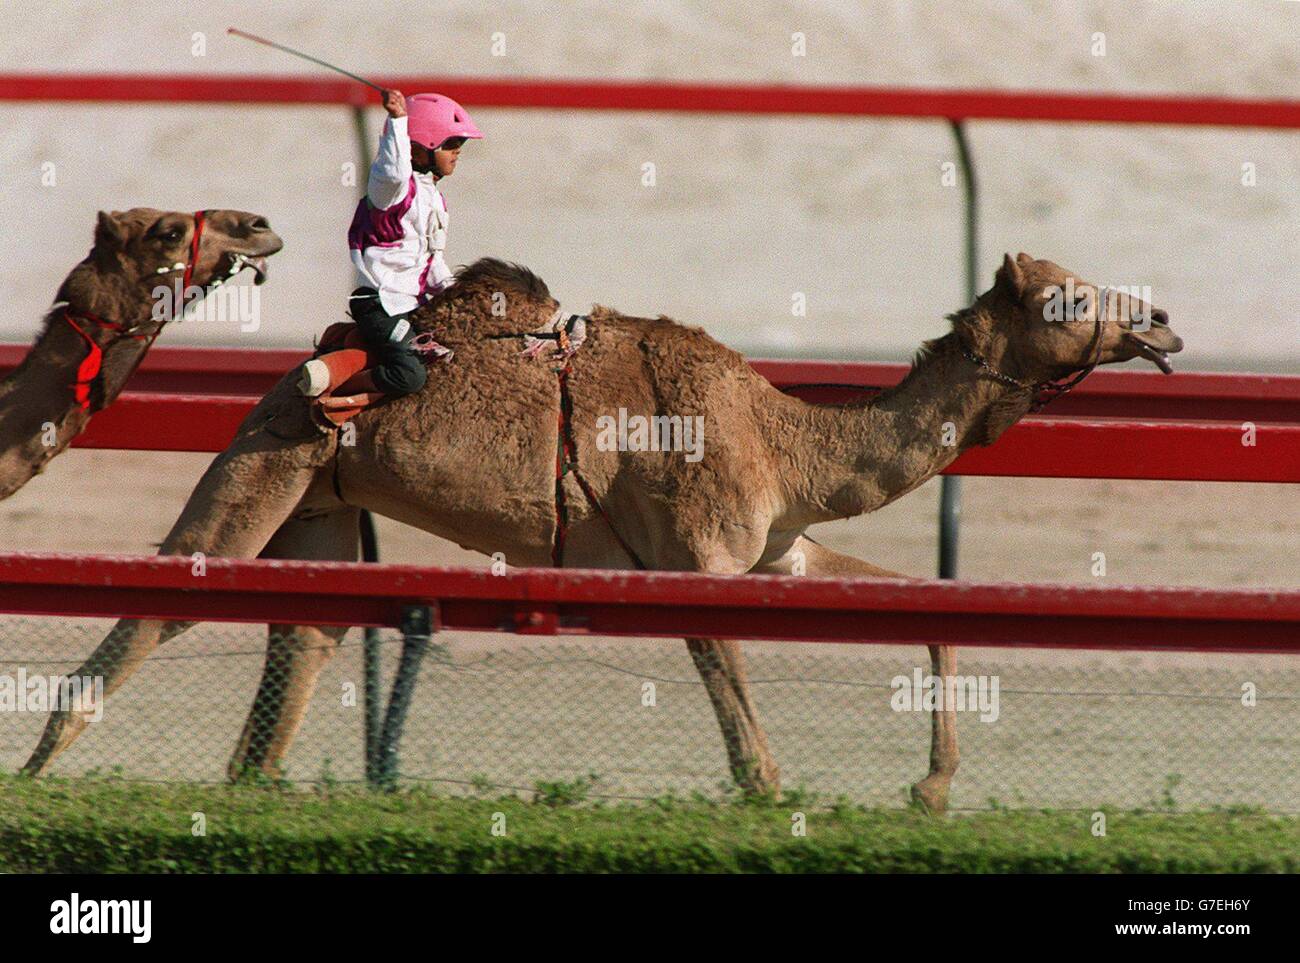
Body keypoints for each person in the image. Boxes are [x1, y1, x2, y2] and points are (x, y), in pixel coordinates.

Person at [300, 88, 482, 397]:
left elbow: (432, 261)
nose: (458, 152)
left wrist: (459, 296)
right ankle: (336, 392)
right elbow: (392, 171)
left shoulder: (436, 199)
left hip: (414, 302)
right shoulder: (392, 190)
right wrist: (398, 121)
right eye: (451, 144)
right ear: (422, 148)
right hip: (381, 305)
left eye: (460, 144)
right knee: (410, 375)